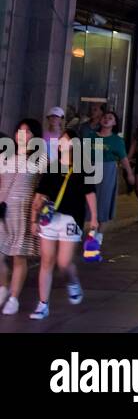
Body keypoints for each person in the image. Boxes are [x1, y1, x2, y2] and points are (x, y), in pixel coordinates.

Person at [28, 133, 98, 320]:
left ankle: (73, 282)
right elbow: (40, 194)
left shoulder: (83, 168)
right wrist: (33, 219)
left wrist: (94, 218)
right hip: (48, 218)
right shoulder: (51, 167)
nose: (60, 142)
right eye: (60, 139)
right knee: (46, 261)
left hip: (71, 219)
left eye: (65, 139)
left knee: (64, 262)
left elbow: (90, 193)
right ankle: (43, 304)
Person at [0, 119, 42, 315]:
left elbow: (43, 189)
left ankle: (14, 298)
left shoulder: (40, 158)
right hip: (2, 210)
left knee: (18, 256)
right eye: (19, 131)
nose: (22, 135)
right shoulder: (5, 155)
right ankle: (3, 287)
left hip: (24, 211)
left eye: (27, 131)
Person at [90, 110, 131, 224]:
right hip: (89, 169)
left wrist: (129, 173)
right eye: (104, 117)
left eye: (110, 118)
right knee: (88, 197)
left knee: (104, 199)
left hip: (107, 171)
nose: (106, 119)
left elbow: (123, 158)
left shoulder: (116, 140)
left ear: (114, 123)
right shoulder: (91, 136)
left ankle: (98, 232)